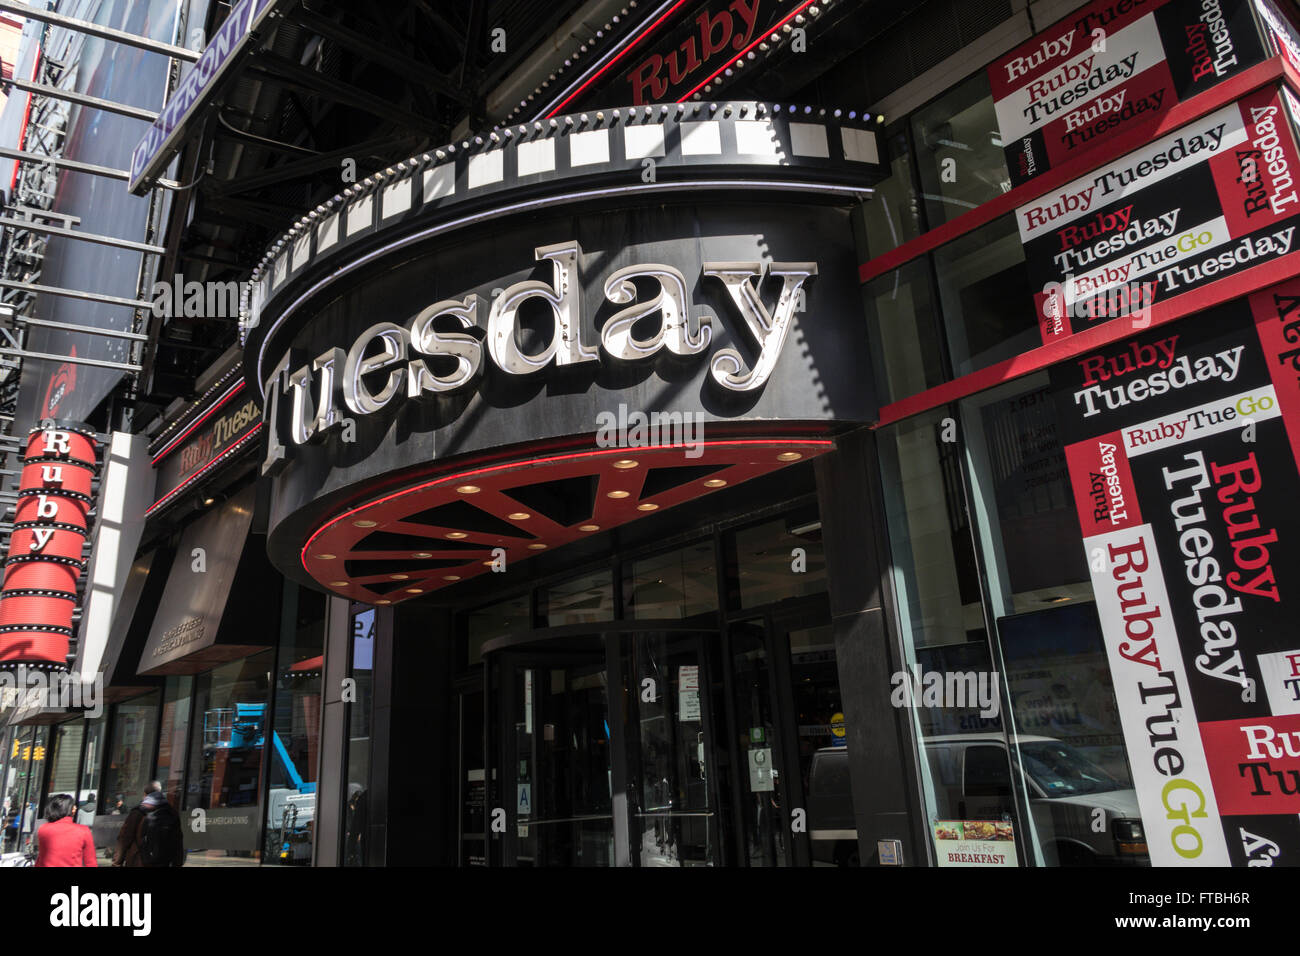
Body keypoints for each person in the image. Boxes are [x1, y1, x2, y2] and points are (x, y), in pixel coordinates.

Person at [113, 782, 184, 867]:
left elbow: (124, 839)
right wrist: (177, 863)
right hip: (163, 862)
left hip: (139, 861)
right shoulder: (171, 813)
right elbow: (177, 840)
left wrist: (117, 862)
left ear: (145, 794)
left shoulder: (138, 812)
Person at [34, 794, 96, 867]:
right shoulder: (83, 831)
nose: (75, 808)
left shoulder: (43, 829)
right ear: (69, 809)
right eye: (73, 806)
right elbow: (91, 862)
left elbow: (41, 858)